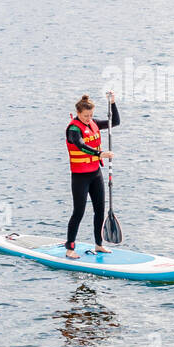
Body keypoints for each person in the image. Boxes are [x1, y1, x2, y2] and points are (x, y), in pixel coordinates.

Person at [64, 92, 118, 259]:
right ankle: (70, 247)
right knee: (79, 212)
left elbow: (114, 122)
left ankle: (99, 244)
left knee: (100, 210)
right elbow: (80, 145)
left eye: (91, 115)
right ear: (78, 113)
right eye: (86, 115)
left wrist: (113, 103)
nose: (89, 118)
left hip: (95, 174)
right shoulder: (73, 129)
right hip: (80, 176)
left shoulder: (93, 123)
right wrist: (100, 153)